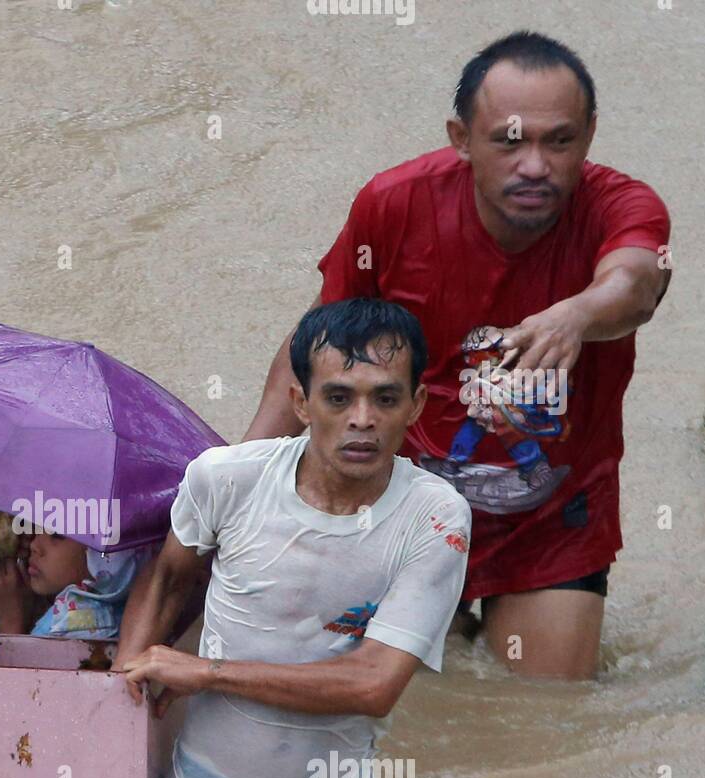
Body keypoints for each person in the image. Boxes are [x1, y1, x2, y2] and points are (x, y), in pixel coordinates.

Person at [242, 31, 671, 680]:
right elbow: (315, 346)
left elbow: (636, 285)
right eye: (509, 140)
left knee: (544, 717)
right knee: (384, 702)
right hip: (401, 504)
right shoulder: (394, 204)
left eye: (559, 141)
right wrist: (242, 479)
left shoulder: (622, 208)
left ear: (588, 136)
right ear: (461, 138)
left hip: (553, 516)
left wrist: (577, 314)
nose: (535, 164)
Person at [117, 299, 471, 778]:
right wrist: (120, 696)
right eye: (338, 398)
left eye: (384, 399)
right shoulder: (227, 479)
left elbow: (374, 685)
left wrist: (205, 672)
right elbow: (170, 578)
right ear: (300, 402)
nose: (362, 421)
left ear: (418, 405)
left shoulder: (436, 518)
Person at [0, 531, 150, 639]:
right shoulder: (131, 604)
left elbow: (18, 693)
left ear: (104, 555)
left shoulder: (72, 624)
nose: (35, 545)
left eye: (57, 535)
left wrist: (10, 622)